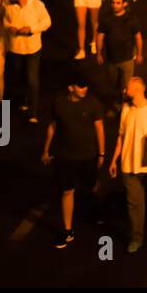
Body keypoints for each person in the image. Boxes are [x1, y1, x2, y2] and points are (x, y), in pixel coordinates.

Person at [41, 74, 105, 249]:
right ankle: (68, 230)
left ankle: (98, 207)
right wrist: (46, 149)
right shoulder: (59, 103)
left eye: (86, 86)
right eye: (80, 86)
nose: (85, 89)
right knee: (67, 191)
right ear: (70, 88)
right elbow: (53, 125)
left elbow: (99, 128)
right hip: (65, 156)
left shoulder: (93, 103)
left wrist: (101, 154)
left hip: (88, 156)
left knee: (92, 185)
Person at [109, 76, 147, 254]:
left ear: (138, 90)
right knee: (134, 203)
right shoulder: (126, 109)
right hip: (128, 164)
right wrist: (114, 160)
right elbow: (121, 136)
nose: (125, 91)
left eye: (128, 88)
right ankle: (136, 237)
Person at [2, 0, 51, 124]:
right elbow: (5, 21)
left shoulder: (37, 4)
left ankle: (34, 111)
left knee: (32, 78)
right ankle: (25, 100)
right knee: (19, 76)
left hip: (32, 48)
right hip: (15, 48)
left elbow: (47, 21)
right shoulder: (9, 6)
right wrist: (9, 27)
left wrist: (31, 29)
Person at [95, 0, 142, 113]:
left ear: (124, 4)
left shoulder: (131, 19)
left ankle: (125, 109)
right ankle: (117, 103)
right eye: (113, 2)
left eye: (118, 3)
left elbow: (138, 38)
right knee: (114, 84)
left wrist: (140, 54)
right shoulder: (106, 19)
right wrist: (99, 54)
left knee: (127, 87)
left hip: (127, 59)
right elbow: (100, 37)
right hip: (111, 59)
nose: (114, 5)